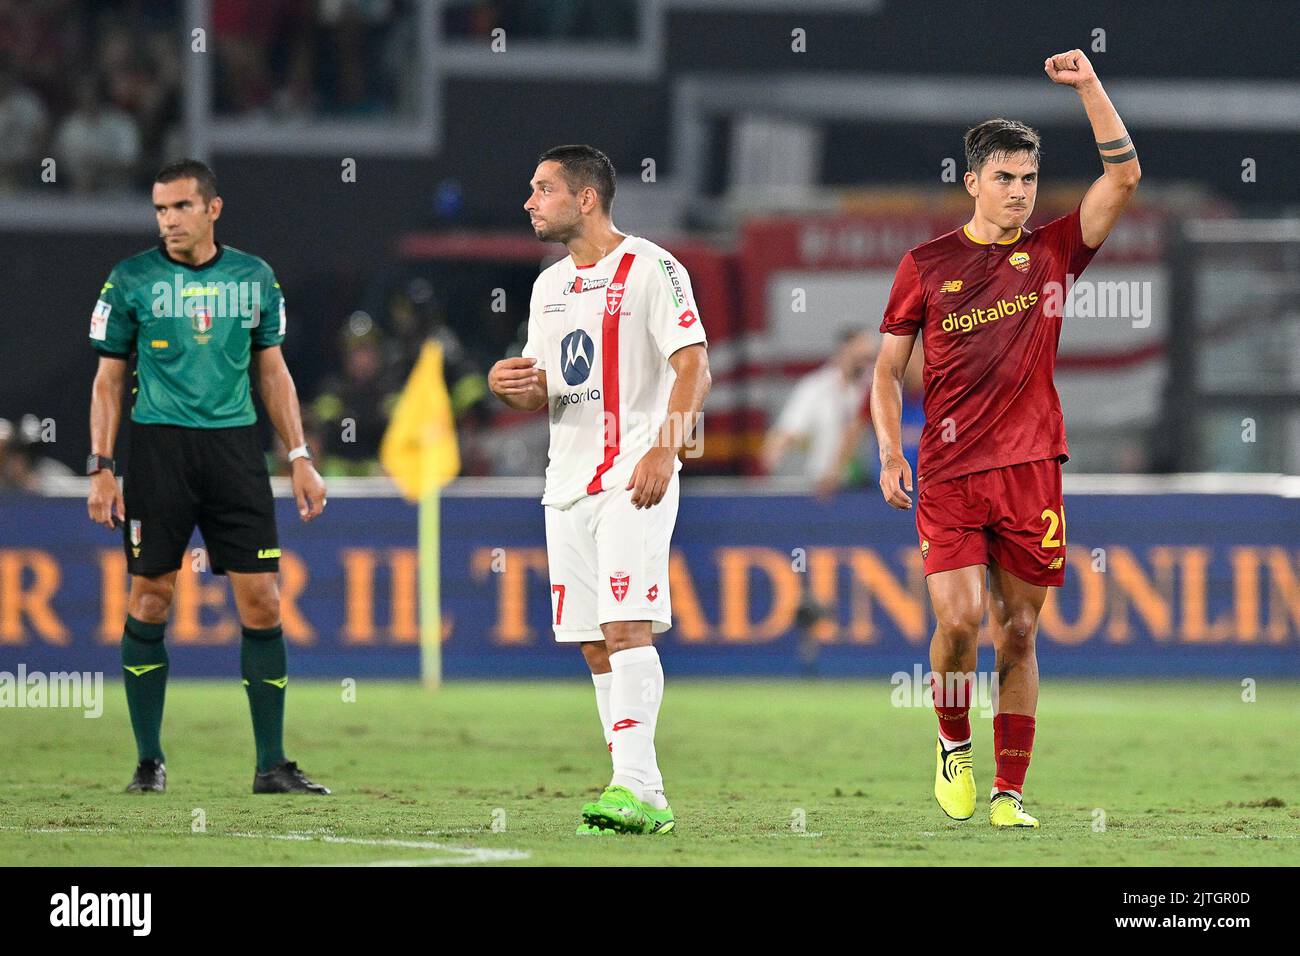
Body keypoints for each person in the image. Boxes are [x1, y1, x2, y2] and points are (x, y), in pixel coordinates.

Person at [870, 50, 1140, 828]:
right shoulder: (927, 265)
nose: (1019, 191)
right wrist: (889, 451)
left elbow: (1123, 178)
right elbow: (886, 372)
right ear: (973, 183)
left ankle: (1009, 794)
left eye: (1029, 178)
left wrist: (1090, 86)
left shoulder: (1053, 252)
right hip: (951, 473)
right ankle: (952, 745)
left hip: (1031, 470)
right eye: (1005, 178)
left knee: (1018, 632)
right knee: (958, 622)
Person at [86, 158, 331, 795]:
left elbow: (272, 371)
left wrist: (298, 455)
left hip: (234, 453)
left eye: (180, 207)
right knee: (150, 598)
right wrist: (102, 466)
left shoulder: (255, 277)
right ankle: (148, 762)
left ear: (212, 209)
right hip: (158, 452)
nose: (167, 220)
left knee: (263, 599)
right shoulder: (131, 279)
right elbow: (109, 379)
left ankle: (271, 765)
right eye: (160, 209)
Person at [489, 144, 711, 835]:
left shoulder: (652, 267)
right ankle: (644, 793)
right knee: (592, 643)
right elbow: (549, 385)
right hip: (566, 485)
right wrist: (513, 386)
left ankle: (630, 786)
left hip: (632, 478)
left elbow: (694, 366)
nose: (529, 202)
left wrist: (664, 449)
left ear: (586, 198)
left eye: (543, 188)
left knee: (624, 628)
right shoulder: (548, 287)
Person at [760, 328, 875, 494]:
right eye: (861, 357)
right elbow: (789, 429)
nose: (866, 364)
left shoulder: (875, 389)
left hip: (867, 487)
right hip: (823, 487)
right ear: (844, 350)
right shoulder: (816, 388)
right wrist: (774, 451)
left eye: (869, 358)